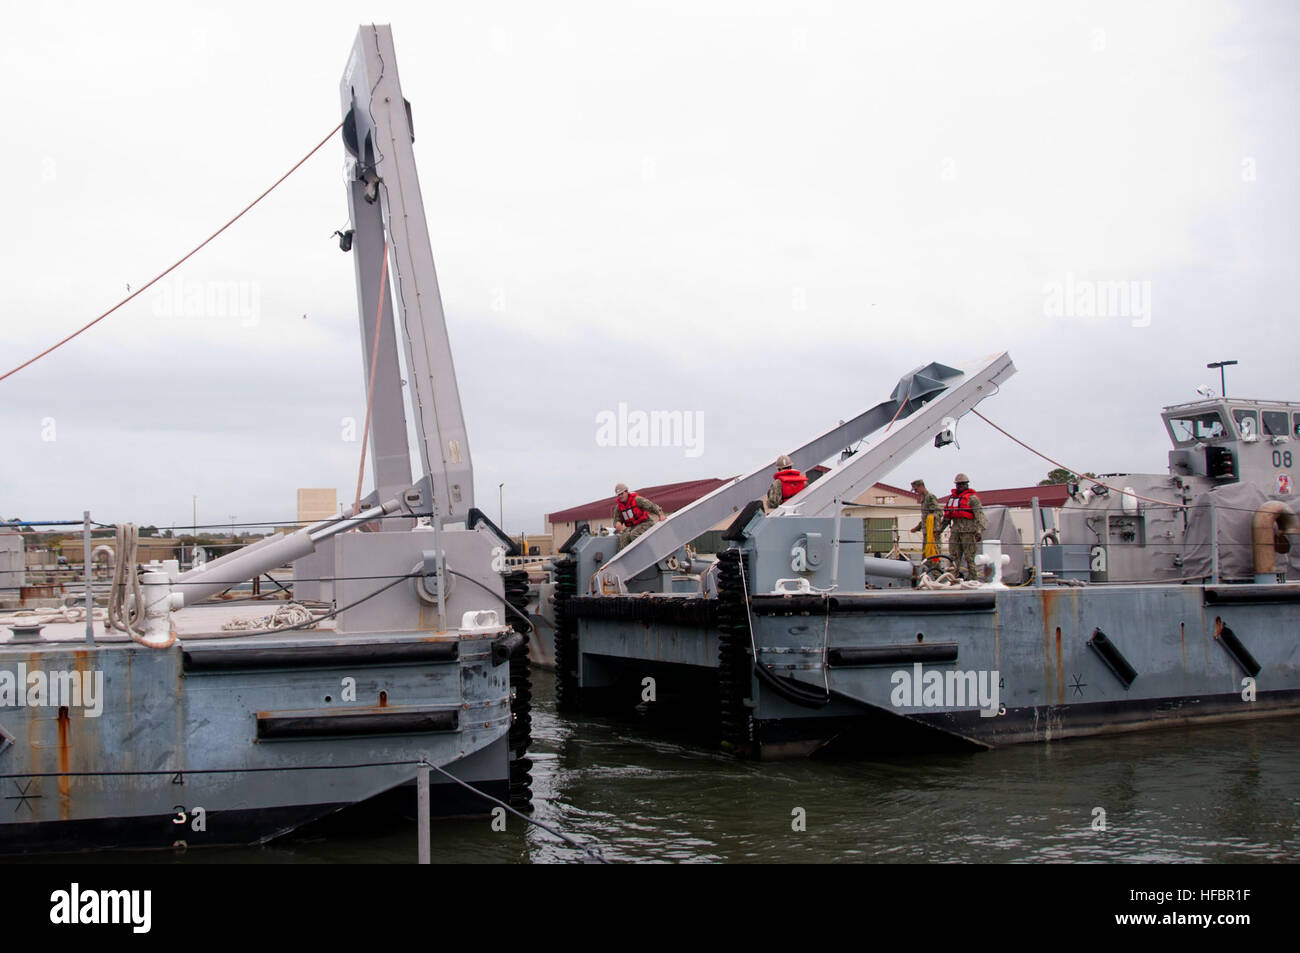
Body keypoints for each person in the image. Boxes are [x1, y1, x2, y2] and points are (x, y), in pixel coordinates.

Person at [937, 473, 987, 579]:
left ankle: (973, 579)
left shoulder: (972, 499)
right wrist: (939, 530)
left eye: (962, 484)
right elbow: (947, 517)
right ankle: (953, 578)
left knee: (969, 557)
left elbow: (980, 516)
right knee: (954, 557)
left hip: (968, 532)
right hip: (955, 531)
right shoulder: (953, 499)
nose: (960, 486)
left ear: (967, 484)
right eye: (958, 484)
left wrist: (979, 531)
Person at [612, 483, 665, 550]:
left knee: (634, 534)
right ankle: (627, 557)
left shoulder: (637, 500)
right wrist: (617, 523)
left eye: (622, 494)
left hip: (646, 523)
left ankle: (645, 551)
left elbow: (652, 506)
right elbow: (616, 519)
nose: (620, 496)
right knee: (624, 537)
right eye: (618, 495)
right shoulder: (618, 508)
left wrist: (660, 514)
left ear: (626, 492)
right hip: (632, 527)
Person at [909, 479, 943, 564]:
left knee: (934, 554)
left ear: (921, 486)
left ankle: (936, 574)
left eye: (916, 489)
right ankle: (926, 573)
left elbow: (939, 512)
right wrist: (917, 528)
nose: (916, 492)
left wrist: (931, 517)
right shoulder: (923, 499)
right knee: (926, 555)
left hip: (933, 533)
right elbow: (925, 518)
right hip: (926, 532)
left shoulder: (930, 497)